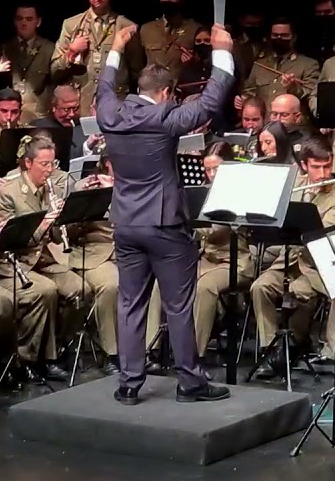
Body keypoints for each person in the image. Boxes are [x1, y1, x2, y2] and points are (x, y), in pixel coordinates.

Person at [95, 22, 237, 405]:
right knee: (177, 305)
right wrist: (222, 52)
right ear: (164, 93)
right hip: (165, 225)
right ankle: (190, 383)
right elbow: (208, 104)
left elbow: (104, 86)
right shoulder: (163, 118)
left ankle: (128, 383)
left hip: (125, 222)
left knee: (130, 303)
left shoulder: (110, 114)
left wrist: (115, 47)